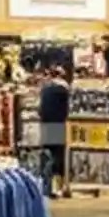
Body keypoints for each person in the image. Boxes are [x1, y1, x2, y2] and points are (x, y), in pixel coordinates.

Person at [38, 66, 71, 198]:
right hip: (58, 125)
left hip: (45, 125)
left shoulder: (45, 89)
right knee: (58, 157)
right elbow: (66, 110)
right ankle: (59, 187)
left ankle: (46, 186)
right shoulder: (63, 91)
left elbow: (40, 110)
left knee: (47, 156)